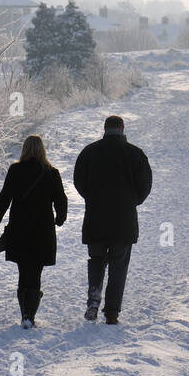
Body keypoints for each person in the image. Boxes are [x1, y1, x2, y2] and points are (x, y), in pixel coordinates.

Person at [72, 115, 152, 324]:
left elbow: (79, 182)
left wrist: (92, 198)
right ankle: (112, 312)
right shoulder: (135, 154)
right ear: (122, 129)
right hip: (123, 222)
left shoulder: (89, 152)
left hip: (95, 220)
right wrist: (131, 202)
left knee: (96, 262)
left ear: (105, 129)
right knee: (119, 266)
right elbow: (145, 186)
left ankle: (93, 302)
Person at [0, 134, 69, 328]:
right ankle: (30, 314)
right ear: (42, 150)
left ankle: (25, 313)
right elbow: (61, 200)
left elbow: (3, 202)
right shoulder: (51, 172)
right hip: (42, 231)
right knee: (35, 273)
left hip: (19, 230)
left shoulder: (15, 170)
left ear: (24, 149)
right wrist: (60, 218)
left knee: (23, 271)